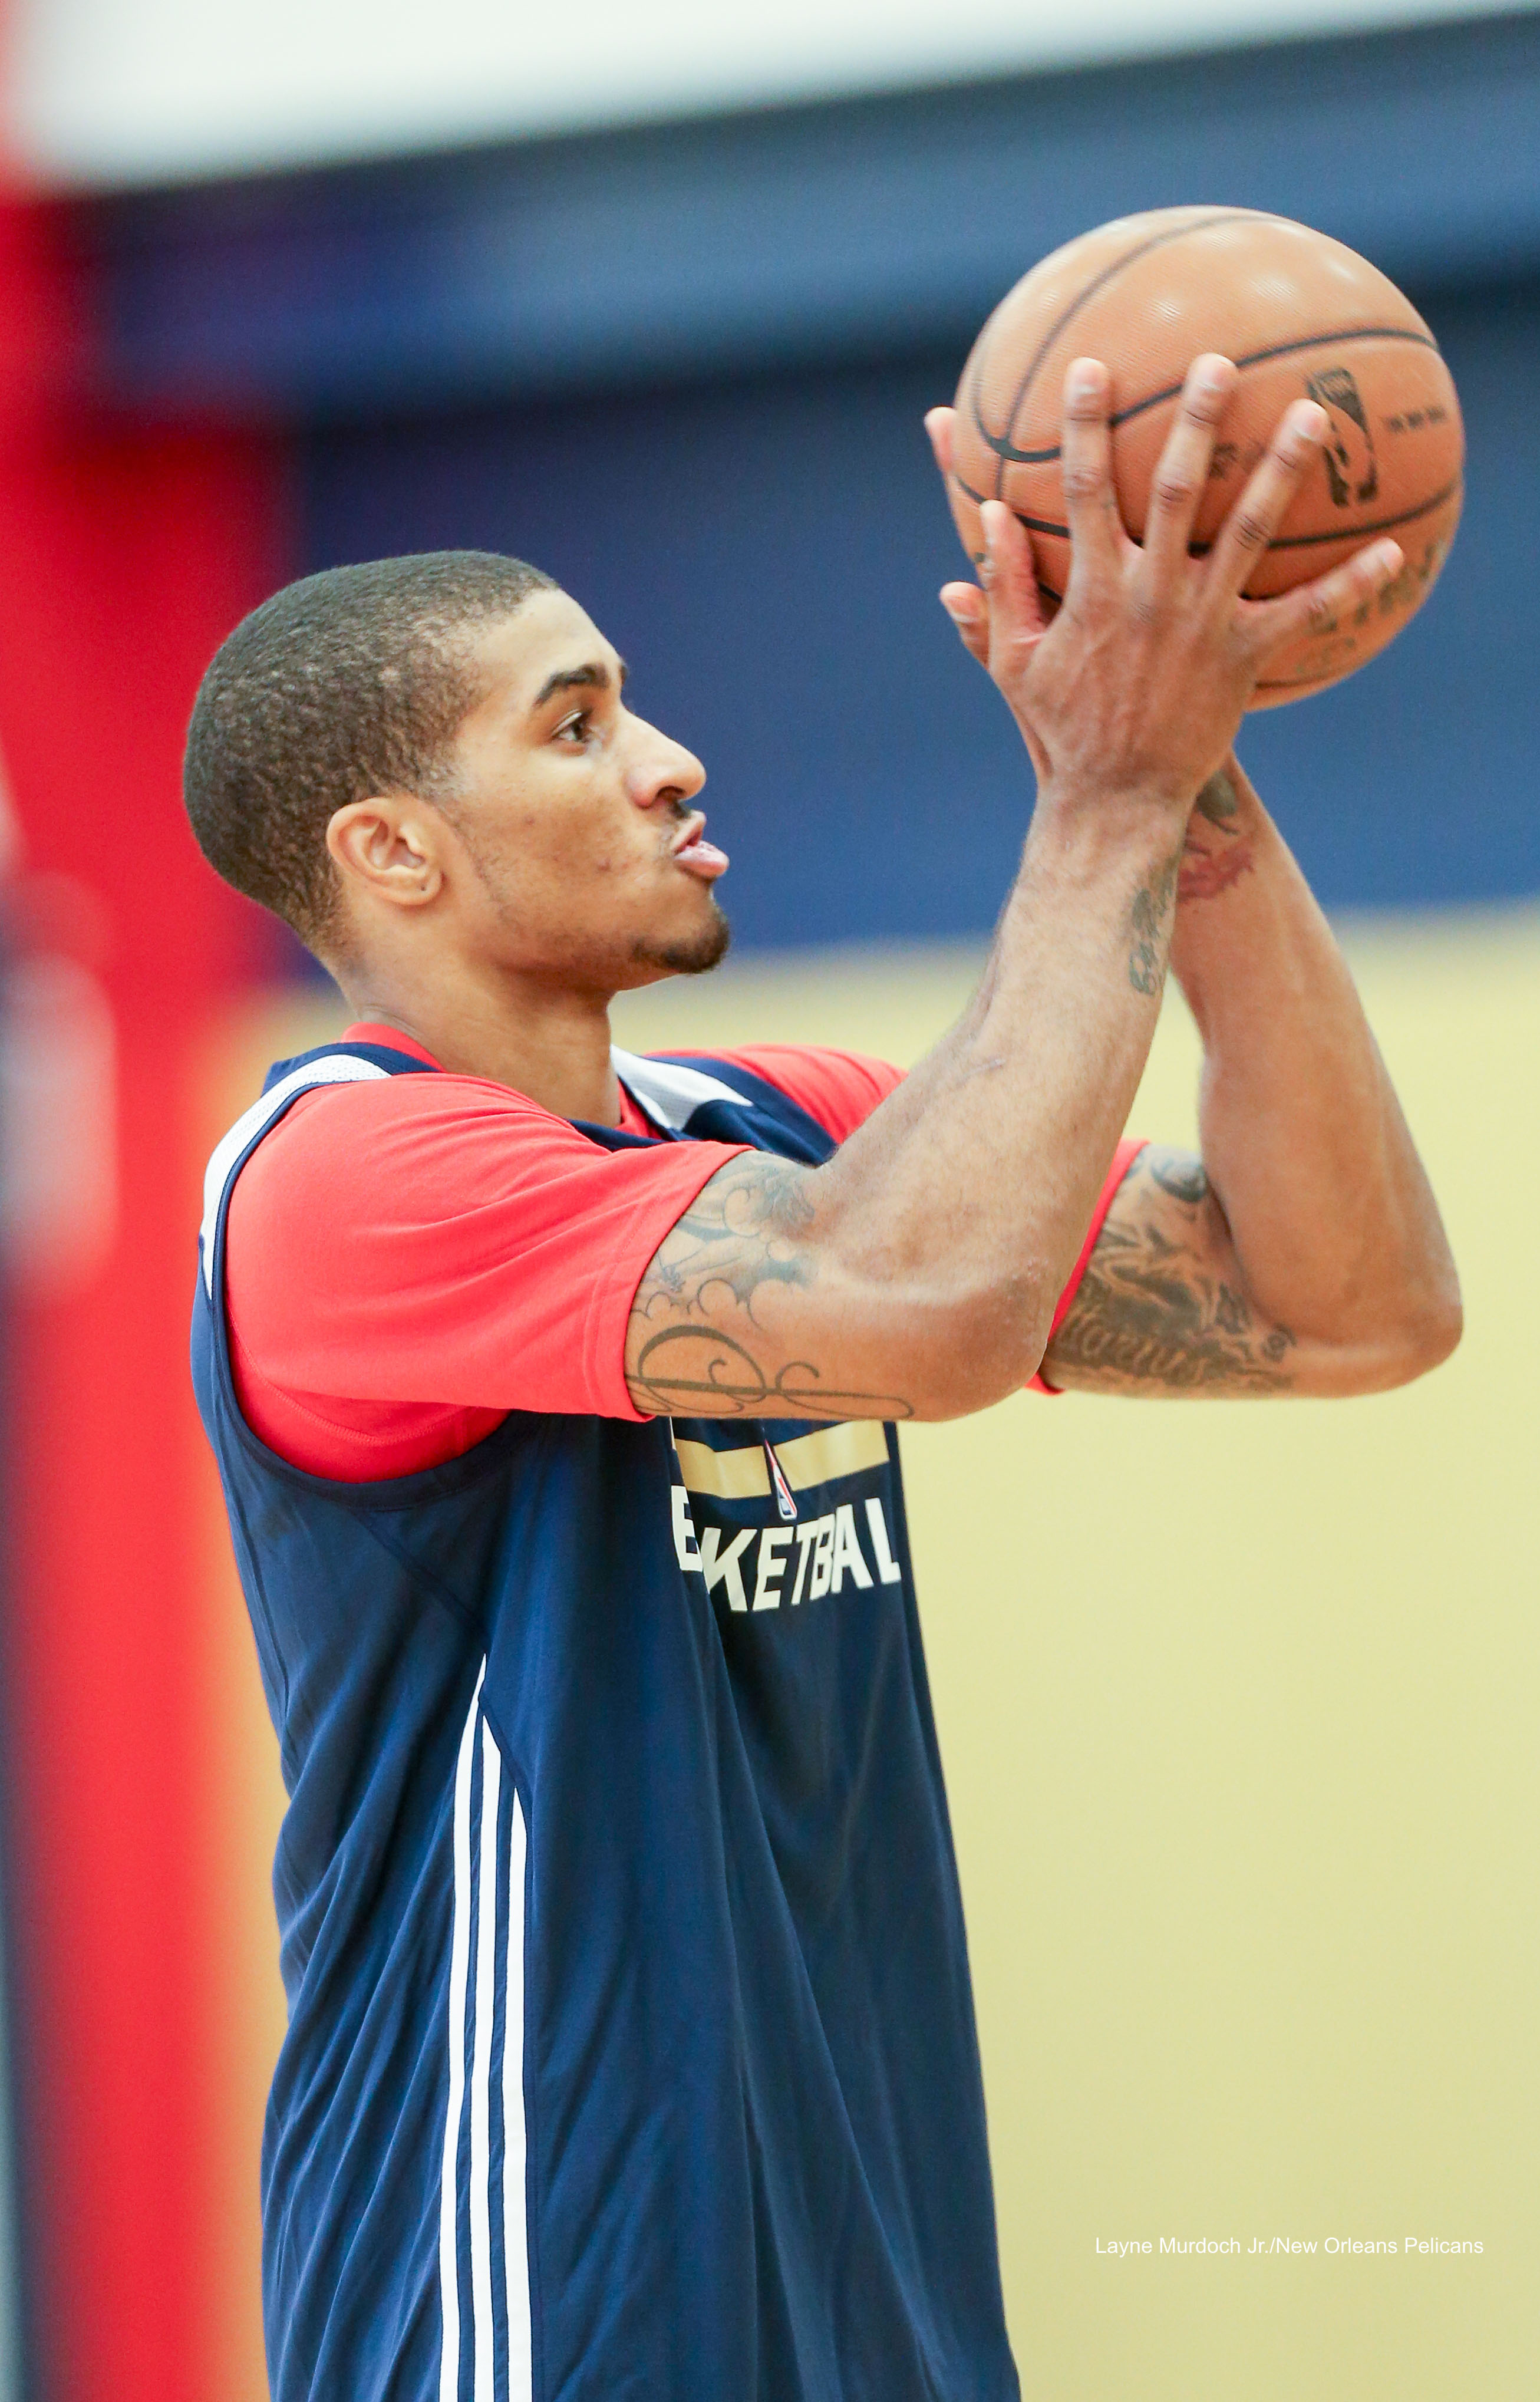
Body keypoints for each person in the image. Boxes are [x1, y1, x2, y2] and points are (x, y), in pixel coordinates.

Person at [185, 355, 1460, 2402]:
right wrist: (1107, 791)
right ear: (393, 853)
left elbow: (1348, 1300)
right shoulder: (343, 1178)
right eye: (579, 725)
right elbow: (935, 1297)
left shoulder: (767, 1134)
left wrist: (1196, 773)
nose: (674, 762)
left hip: (880, 2298)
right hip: (530, 2305)